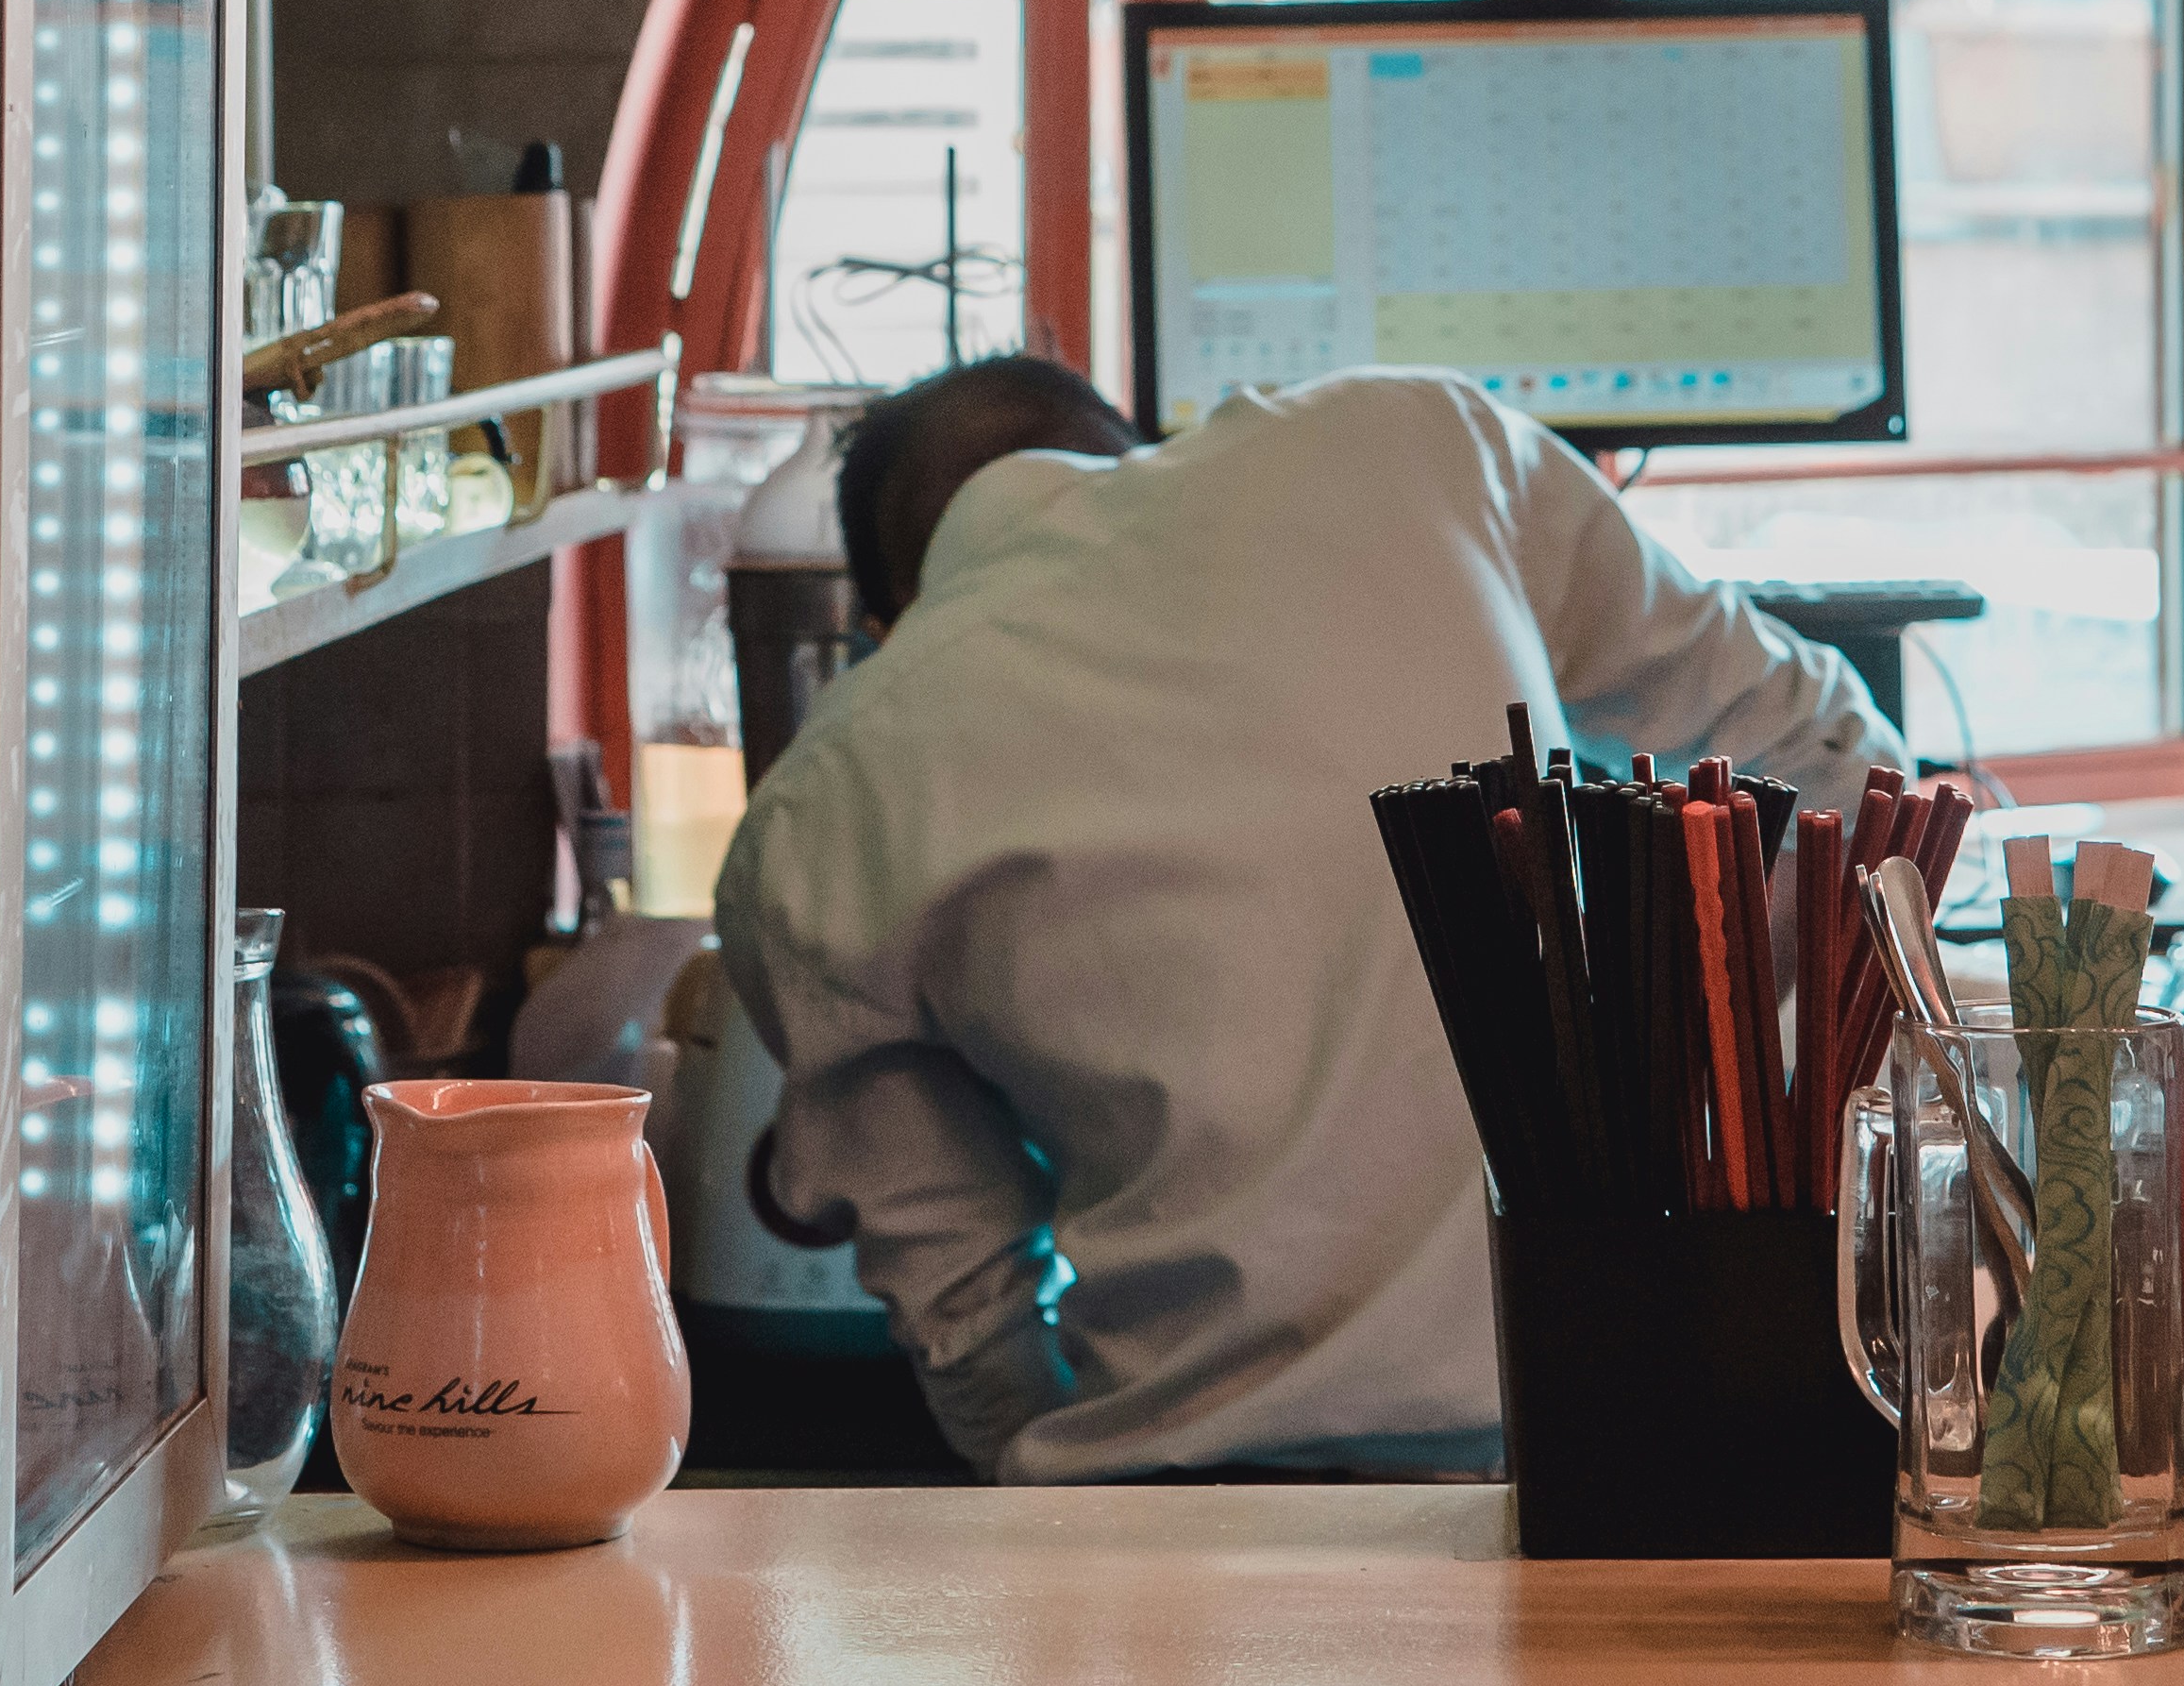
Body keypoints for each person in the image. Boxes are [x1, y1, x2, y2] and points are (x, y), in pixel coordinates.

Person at [710, 355, 1894, 1482]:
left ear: (892, 611)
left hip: (1183, 1526)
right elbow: (1844, 769)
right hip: (1608, 1454)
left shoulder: (823, 804)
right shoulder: (1421, 438)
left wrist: (1061, 1513)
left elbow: (972, 1312)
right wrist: (1648, 1060)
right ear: (1140, 458)